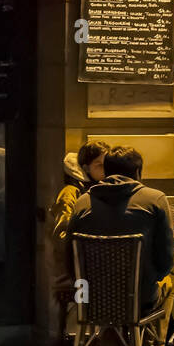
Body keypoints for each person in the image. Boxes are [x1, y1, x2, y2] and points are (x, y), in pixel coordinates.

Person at [67, 145, 174, 317]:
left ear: (106, 171)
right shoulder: (156, 200)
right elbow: (166, 262)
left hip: (90, 297)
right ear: (138, 172)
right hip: (139, 299)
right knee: (169, 282)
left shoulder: (82, 203)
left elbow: (69, 257)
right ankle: (152, 342)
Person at [50, 140, 110, 332]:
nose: (104, 170)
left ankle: (104, 344)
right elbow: (62, 236)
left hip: (93, 264)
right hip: (75, 270)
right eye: (99, 165)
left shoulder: (100, 189)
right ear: (85, 168)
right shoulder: (71, 193)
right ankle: (88, 341)